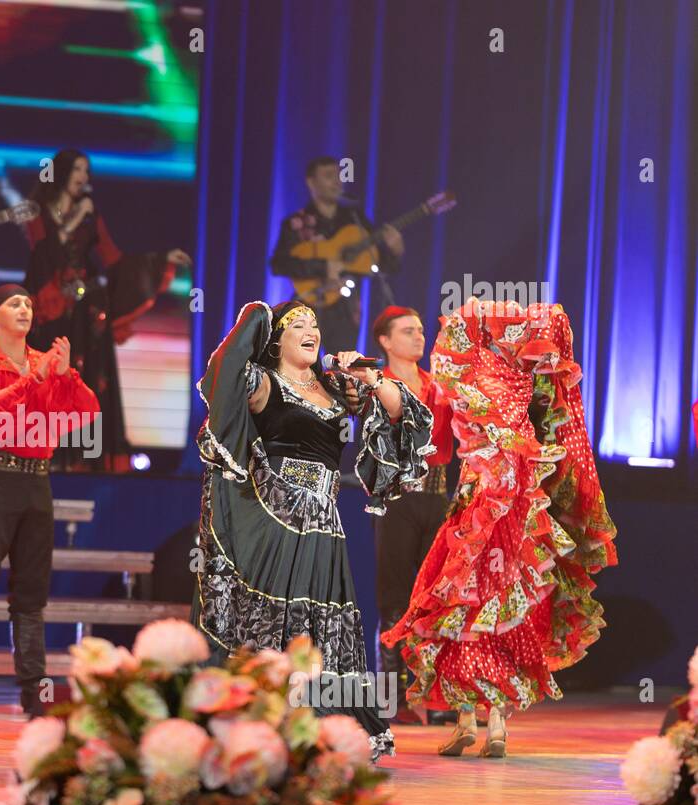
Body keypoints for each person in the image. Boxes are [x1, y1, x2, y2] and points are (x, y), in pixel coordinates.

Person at [191, 300, 433, 761]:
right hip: (275, 521)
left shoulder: (336, 386)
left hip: (324, 523)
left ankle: (319, 727)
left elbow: (405, 413)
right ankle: (263, 720)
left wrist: (369, 376)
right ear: (276, 339)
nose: (311, 331)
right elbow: (223, 368)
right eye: (297, 324)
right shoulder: (263, 383)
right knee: (272, 619)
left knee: (324, 626)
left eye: (314, 324)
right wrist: (255, 315)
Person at [382, 298, 618, 757]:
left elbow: (442, 430)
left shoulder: (464, 367)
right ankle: (495, 725)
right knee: (509, 605)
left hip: (478, 501)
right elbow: (553, 427)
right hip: (520, 506)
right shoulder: (525, 375)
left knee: (458, 603)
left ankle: (466, 719)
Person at [0, 284, 100, 717]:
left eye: (29, 303)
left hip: (36, 480)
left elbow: (86, 414)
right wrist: (34, 380)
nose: (25, 308)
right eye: (14, 303)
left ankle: (33, 690)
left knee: (32, 591)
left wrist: (66, 375)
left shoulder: (45, 362)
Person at [23, 148, 190, 470]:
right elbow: (46, 251)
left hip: (86, 312)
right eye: (77, 170)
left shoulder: (91, 213)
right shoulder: (37, 211)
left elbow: (113, 258)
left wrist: (160, 260)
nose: (83, 177)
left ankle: (85, 461)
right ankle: (49, 456)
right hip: (50, 308)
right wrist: (76, 216)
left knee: (88, 380)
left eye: (86, 171)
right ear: (62, 172)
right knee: (50, 379)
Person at [368, 305, 455, 725]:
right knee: (395, 598)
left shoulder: (440, 383)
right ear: (385, 340)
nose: (419, 336)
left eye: (420, 330)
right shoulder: (377, 383)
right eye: (407, 331)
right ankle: (393, 699)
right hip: (396, 498)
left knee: (436, 598)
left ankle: (435, 697)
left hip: (436, 497)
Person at [269, 156, 404, 354]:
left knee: (343, 366)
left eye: (338, 176)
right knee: (303, 363)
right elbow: (278, 264)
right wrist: (324, 267)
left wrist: (395, 252)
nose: (336, 182)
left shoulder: (354, 218)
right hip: (308, 305)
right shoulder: (297, 223)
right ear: (311, 182)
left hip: (346, 310)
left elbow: (379, 265)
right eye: (328, 176)